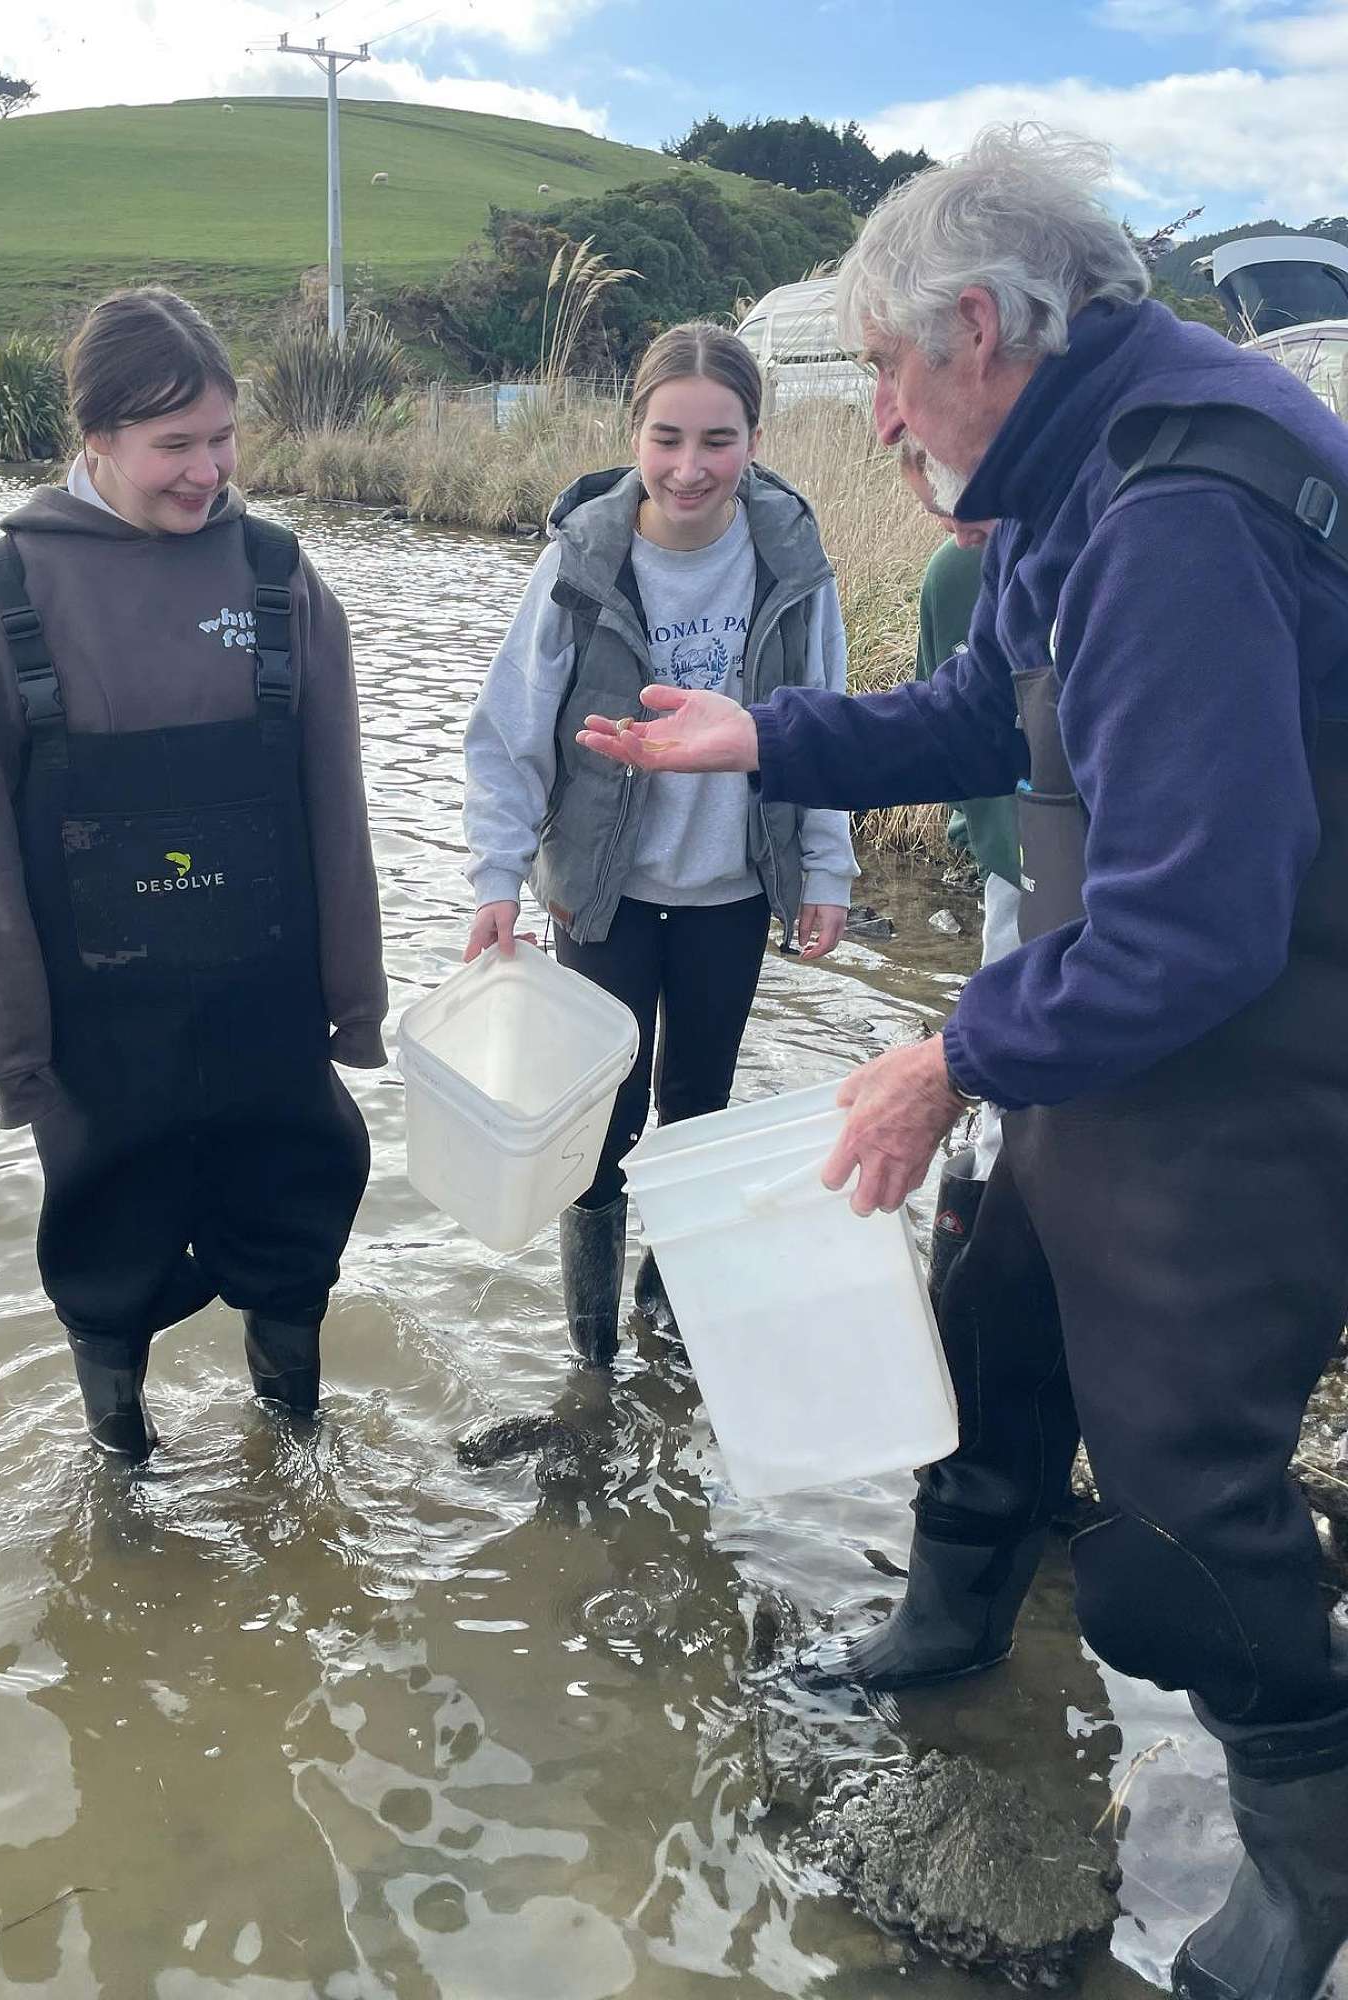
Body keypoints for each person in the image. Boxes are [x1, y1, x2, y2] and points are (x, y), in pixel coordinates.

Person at [578, 127, 1348, 2000]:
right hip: (1127, 1018)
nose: (891, 413)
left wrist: (953, 1052)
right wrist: (755, 736)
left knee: (1182, 1503)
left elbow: (1197, 931)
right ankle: (950, 1620)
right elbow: (969, 711)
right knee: (995, 1322)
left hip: (1263, 1049)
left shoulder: (1180, 506)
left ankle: (1312, 1841)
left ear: (986, 327)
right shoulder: (1078, 459)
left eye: (893, 369)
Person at [0, 286, 384, 1463]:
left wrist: (357, 1000)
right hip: (98, 1030)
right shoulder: (2, 596)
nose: (206, 471)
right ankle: (118, 1484)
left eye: (222, 436)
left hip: (265, 1009)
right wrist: (15, 1053)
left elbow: (336, 801)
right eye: (172, 445)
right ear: (95, 438)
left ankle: (294, 1461)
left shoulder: (280, 578)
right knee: (106, 1261)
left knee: (293, 1234)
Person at [462, 321, 856, 1366]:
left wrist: (825, 868)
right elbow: (509, 733)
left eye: (717, 440)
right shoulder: (578, 559)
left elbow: (825, 721)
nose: (690, 468)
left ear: (755, 439)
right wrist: (495, 877)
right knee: (596, 1124)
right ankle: (591, 1351)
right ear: (632, 432)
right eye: (667, 437)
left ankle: (664, 1308)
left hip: (730, 888)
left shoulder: (792, 562)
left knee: (697, 1108)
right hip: (604, 892)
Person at [897, 438, 1015, 1301]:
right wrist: (977, 840)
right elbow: (945, 718)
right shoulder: (950, 577)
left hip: (1093, 882)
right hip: (1016, 877)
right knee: (1006, 1103)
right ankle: (964, 1306)